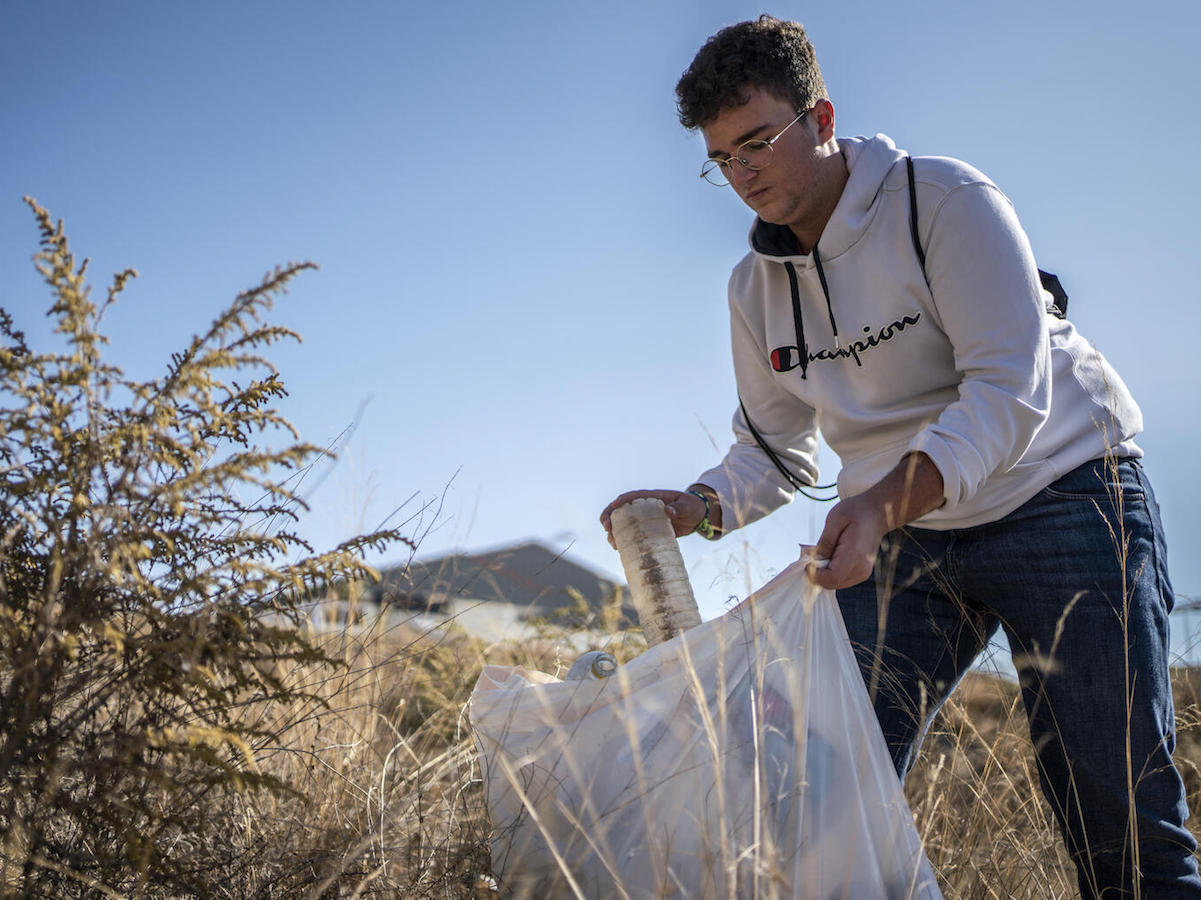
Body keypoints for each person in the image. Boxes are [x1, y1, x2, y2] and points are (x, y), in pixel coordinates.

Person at [600, 15, 1200, 899]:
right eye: (722, 158)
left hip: (1062, 492)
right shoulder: (752, 289)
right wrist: (699, 505)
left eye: (759, 140)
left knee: (1115, 819)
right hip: (906, 538)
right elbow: (773, 449)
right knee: (820, 801)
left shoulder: (947, 201)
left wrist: (879, 506)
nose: (744, 173)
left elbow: (1007, 392)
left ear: (822, 118)